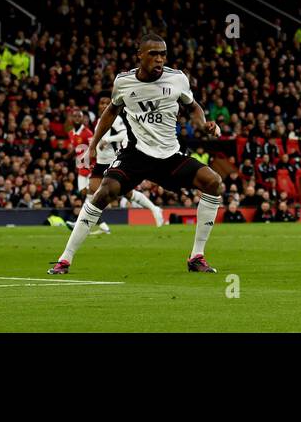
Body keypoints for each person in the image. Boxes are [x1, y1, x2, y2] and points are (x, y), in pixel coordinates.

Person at [48, 33, 223, 275]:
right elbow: (111, 111)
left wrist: (203, 124)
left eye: (163, 54)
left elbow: (193, 106)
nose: (159, 59)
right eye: (153, 54)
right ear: (139, 56)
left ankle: (197, 256)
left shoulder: (178, 79)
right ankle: (65, 259)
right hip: (136, 154)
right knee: (104, 192)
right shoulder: (124, 82)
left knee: (213, 182)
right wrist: (92, 144)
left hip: (169, 155)